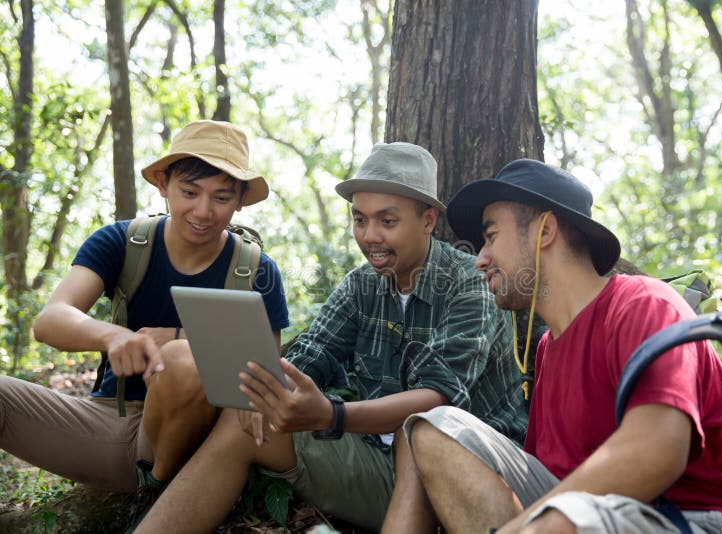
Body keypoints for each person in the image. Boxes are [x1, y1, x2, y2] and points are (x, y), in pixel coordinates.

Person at [134, 142, 527, 533]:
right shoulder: (362, 286)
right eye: (360, 220)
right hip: (379, 465)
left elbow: (435, 397)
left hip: (465, 481)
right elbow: (312, 351)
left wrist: (332, 414)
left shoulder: (468, 284)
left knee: (418, 432)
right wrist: (270, 390)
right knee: (245, 424)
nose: (370, 236)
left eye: (387, 221)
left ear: (427, 219)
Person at [382, 159, 722, 533]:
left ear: (545, 231)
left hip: (689, 520)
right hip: (579, 517)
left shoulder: (643, 304)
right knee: (428, 431)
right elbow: (554, 480)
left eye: (491, 236)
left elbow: (659, 450)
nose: (480, 260)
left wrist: (523, 525)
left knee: (564, 517)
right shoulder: (547, 349)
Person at [0, 120, 289, 501]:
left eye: (221, 197)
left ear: (239, 201)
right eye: (189, 191)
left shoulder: (256, 270)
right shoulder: (122, 241)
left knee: (181, 360)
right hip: (110, 425)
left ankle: (155, 495)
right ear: (163, 185)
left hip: (199, 441)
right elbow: (51, 321)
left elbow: (265, 373)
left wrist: (179, 339)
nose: (203, 211)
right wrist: (113, 335)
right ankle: (143, 483)